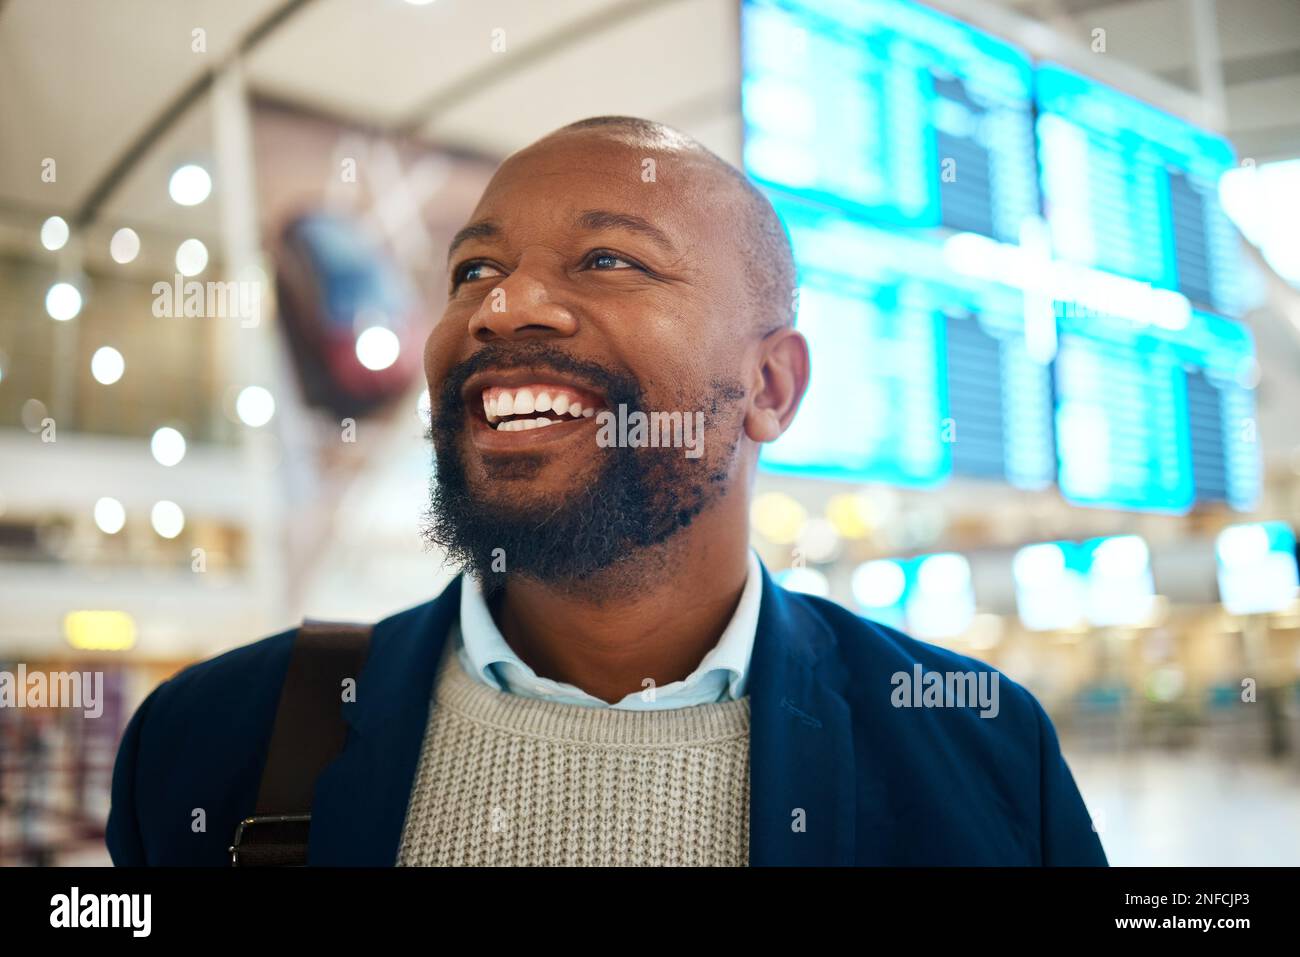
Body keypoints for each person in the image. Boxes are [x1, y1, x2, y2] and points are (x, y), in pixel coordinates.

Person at [106, 116, 1106, 867]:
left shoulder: (979, 753)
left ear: (771, 386)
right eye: (473, 269)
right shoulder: (218, 738)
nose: (502, 308)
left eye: (606, 259)